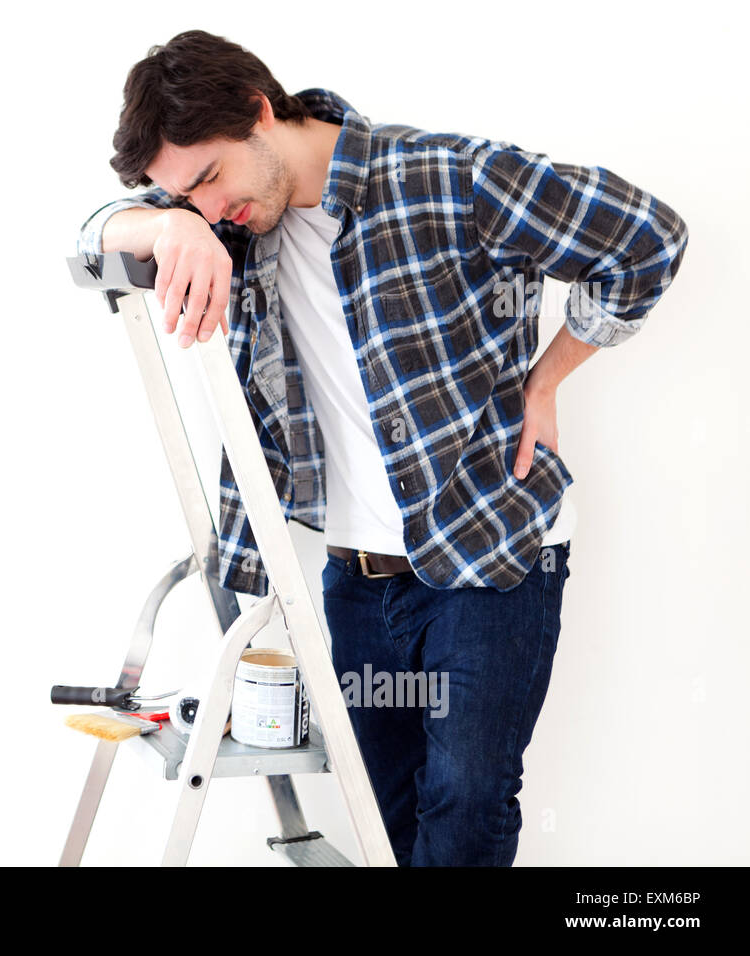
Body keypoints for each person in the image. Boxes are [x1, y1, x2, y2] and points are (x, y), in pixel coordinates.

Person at [75, 29, 688, 866]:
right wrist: (163, 228)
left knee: (466, 807)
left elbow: (648, 237)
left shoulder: (448, 175)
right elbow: (93, 233)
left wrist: (546, 381)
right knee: (385, 819)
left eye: (210, 180)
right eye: (186, 196)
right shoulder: (231, 224)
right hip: (357, 582)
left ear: (261, 111)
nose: (209, 210)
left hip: (492, 557)